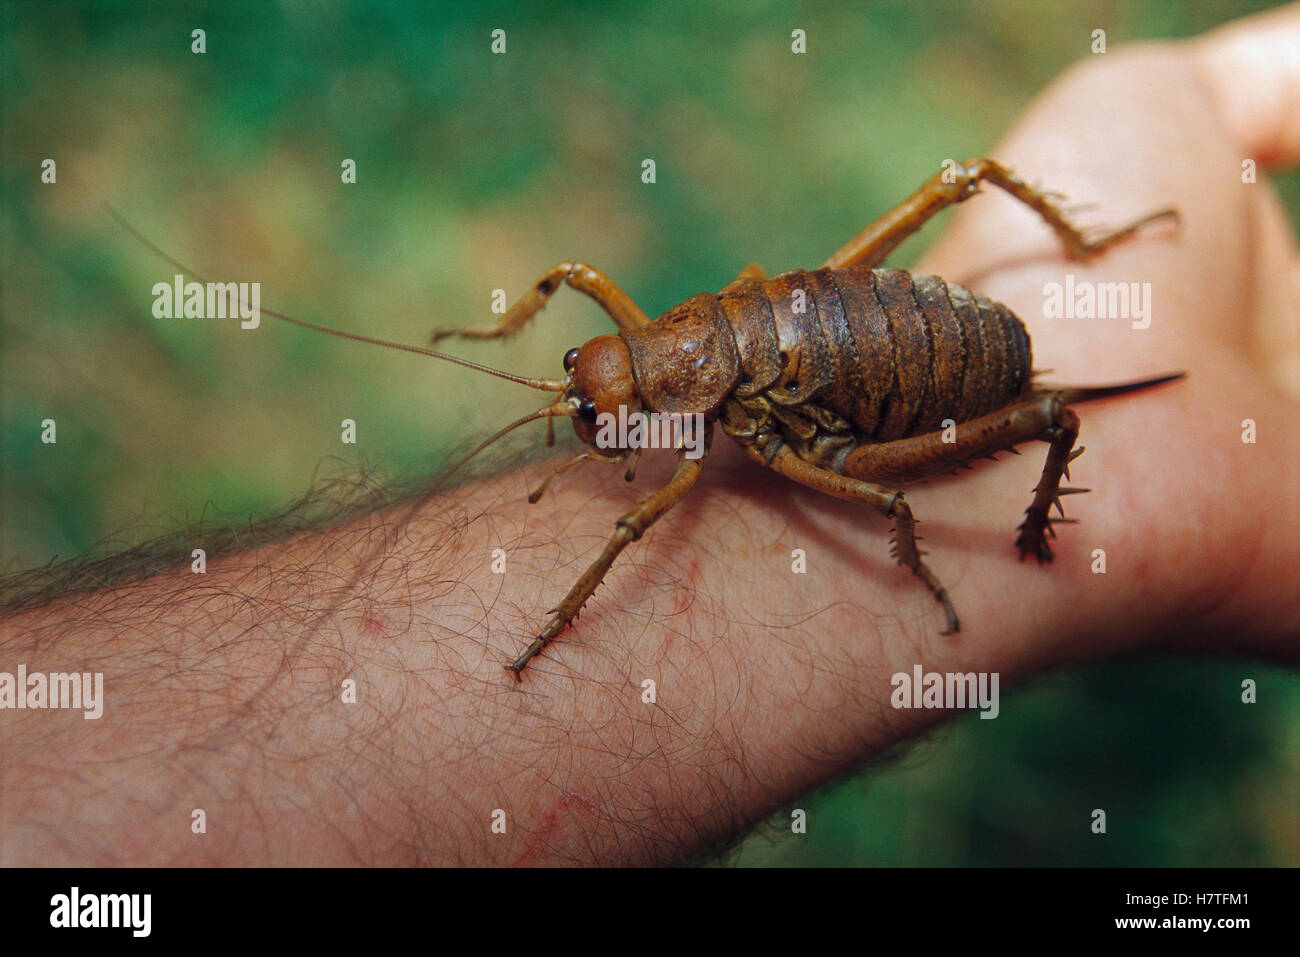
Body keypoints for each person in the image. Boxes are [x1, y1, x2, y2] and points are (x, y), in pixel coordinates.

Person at [1, 6, 1296, 866]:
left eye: (604, 398)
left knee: (987, 357)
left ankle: (1068, 345)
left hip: (912, 360)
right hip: (807, 327)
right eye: (591, 386)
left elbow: (739, 508)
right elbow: (573, 280)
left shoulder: (710, 446)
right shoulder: (658, 351)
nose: (596, 409)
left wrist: (559, 631)